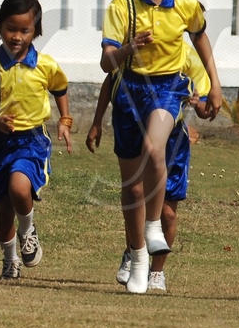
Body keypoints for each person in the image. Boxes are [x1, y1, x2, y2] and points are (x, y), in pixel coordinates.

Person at [100, 0, 224, 295]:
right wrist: (128, 48)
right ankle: (137, 257)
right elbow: (106, 63)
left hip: (168, 88)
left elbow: (201, 39)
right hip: (129, 92)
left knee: (156, 150)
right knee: (132, 187)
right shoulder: (121, 7)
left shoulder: (186, 4)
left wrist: (214, 84)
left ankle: (153, 226)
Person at [88, 44, 216, 292]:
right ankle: (134, 253)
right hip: (138, 137)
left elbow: (201, 106)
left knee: (167, 212)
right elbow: (110, 81)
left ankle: (157, 272)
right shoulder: (137, 52)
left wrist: (200, 103)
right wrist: (96, 122)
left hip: (172, 146)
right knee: (137, 199)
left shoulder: (187, 57)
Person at [0, 0, 73, 280]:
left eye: (24, 30)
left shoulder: (44, 65)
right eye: (10, 28)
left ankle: (28, 231)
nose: (16, 36)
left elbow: (59, 88)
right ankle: (10, 258)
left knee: (18, 187)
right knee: (2, 210)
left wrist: (64, 119)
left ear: (36, 31)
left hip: (31, 142)